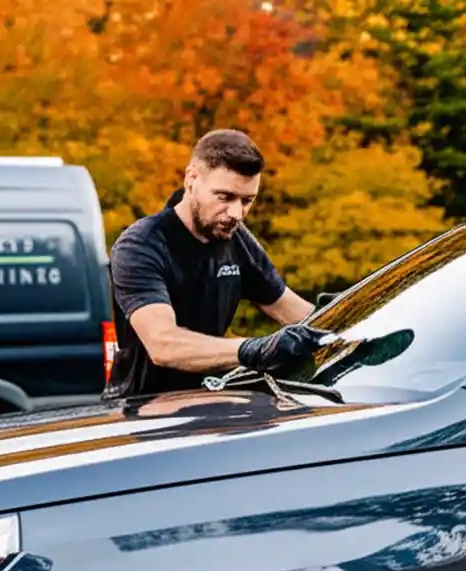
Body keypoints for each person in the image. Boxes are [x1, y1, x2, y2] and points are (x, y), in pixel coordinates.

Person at [103, 129, 329, 399]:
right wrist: (253, 349)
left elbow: (293, 311)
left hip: (208, 403)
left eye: (247, 201)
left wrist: (355, 325)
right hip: (144, 410)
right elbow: (163, 345)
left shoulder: (235, 238)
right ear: (191, 180)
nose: (236, 213)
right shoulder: (140, 245)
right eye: (225, 197)